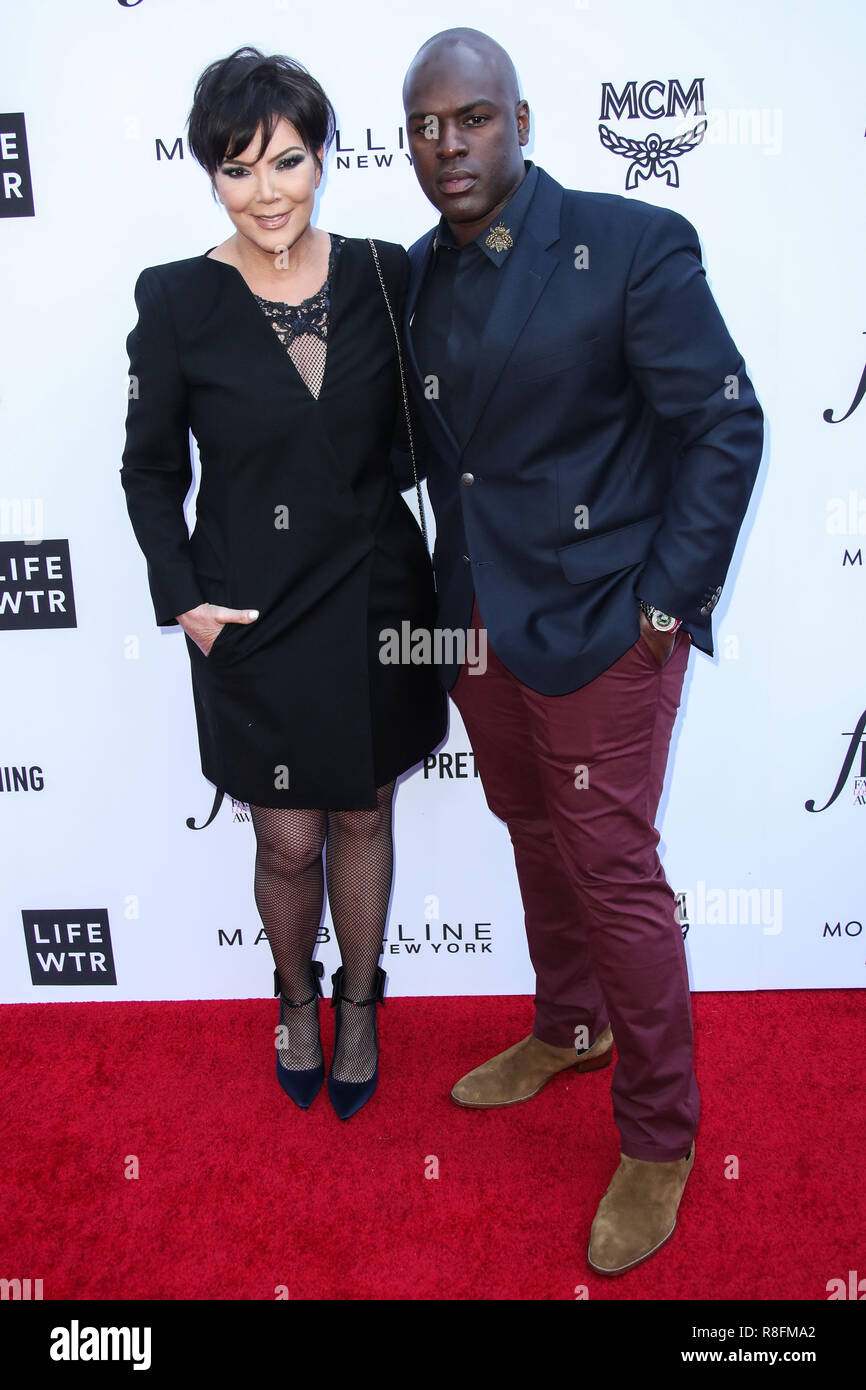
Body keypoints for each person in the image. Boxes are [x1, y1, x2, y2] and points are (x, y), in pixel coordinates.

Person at [398, 28, 763, 1272]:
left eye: (473, 118)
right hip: (476, 626)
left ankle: (659, 1138)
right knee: (531, 831)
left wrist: (664, 602)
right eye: (426, 127)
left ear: (522, 120)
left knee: (610, 868)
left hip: (607, 618)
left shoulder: (628, 243)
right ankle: (568, 1025)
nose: (448, 144)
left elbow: (724, 426)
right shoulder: (414, 280)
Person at [120, 46, 447, 1121]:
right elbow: (152, 466)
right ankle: (295, 995)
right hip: (250, 611)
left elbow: (428, 433)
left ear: (324, 157)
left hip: (374, 600)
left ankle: (359, 1002)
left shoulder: (382, 273)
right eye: (238, 168)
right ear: (209, 175)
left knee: (360, 817)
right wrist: (182, 598)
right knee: (285, 835)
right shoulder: (174, 301)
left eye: (288, 161)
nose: (267, 192)